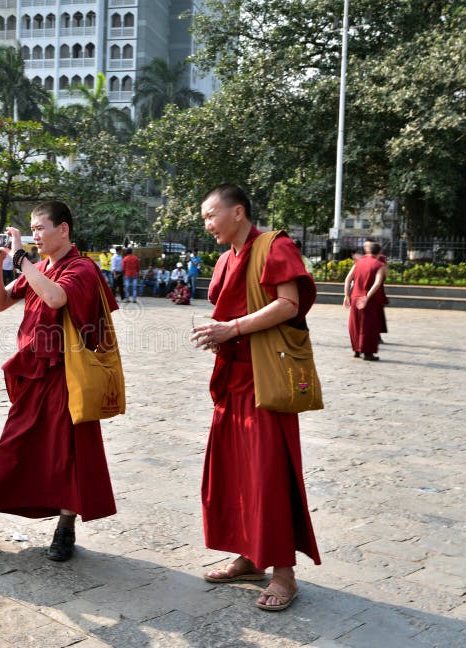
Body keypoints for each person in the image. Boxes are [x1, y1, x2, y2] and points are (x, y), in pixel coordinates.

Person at [0, 200, 118, 562]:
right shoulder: (41, 267)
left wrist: (21, 257)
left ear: (63, 229)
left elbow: (55, 296)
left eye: (40, 228)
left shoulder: (80, 268)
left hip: (69, 375)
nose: (35, 235)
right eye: (32, 229)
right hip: (35, 374)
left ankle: (65, 530)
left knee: (70, 452)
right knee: (10, 448)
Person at [190, 183, 320, 612]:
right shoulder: (226, 258)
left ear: (238, 212)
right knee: (234, 471)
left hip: (265, 379)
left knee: (267, 472)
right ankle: (248, 556)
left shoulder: (273, 246)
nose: (206, 223)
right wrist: (220, 334)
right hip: (233, 378)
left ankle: (284, 573)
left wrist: (234, 329)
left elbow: (288, 303)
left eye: (211, 215)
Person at [344, 241, 386, 361]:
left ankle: (357, 350)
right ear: (379, 253)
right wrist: (367, 296)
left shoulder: (358, 262)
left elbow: (348, 279)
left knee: (355, 324)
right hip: (369, 300)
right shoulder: (379, 265)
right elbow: (377, 283)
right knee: (369, 326)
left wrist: (346, 295)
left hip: (355, 296)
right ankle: (368, 353)